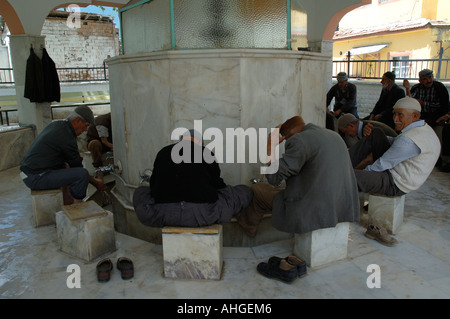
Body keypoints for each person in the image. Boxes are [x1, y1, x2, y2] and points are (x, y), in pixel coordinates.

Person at [236, 115, 360, 238]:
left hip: (314, 208)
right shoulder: (334, 135)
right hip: (342, 205)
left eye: (285, 140)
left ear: (289, 135)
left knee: (258, 189)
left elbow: (273, 178)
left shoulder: (299, 140)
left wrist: (270, 148)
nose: (286, 143)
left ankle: (249, 228)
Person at [132, 129, 252, 227]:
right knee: (242, 191)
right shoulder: (206, 153)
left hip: (164, 214)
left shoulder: (163, 152)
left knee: (140, 192)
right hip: (202, 214)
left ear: (181, 141)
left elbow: (153, 186)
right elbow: (218, 186)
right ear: (200, 143)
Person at [351, 97, 440, 196]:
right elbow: (396, 142)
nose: (395, 119)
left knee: (347, 177)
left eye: (400, 115)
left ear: (415, 116)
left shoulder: (408, 140)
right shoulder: (423, 128)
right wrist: (371, 134)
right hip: (402, 174)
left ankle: (342, 167)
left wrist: (363, 175)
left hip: (395, 183)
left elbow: (381, 165)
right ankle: (344, 163)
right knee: (376, 133)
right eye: (394, 114)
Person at [20, 105, 106, 205]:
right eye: (86, 125)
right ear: (78, 121)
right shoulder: (67, 136)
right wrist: (96, 183)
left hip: (28, 173)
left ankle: (68, 200)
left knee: (66, 167)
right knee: (82, 175)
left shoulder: (58, 125)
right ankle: (78, 206)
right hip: (35, 177)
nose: (86, 130)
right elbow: (77, 166)